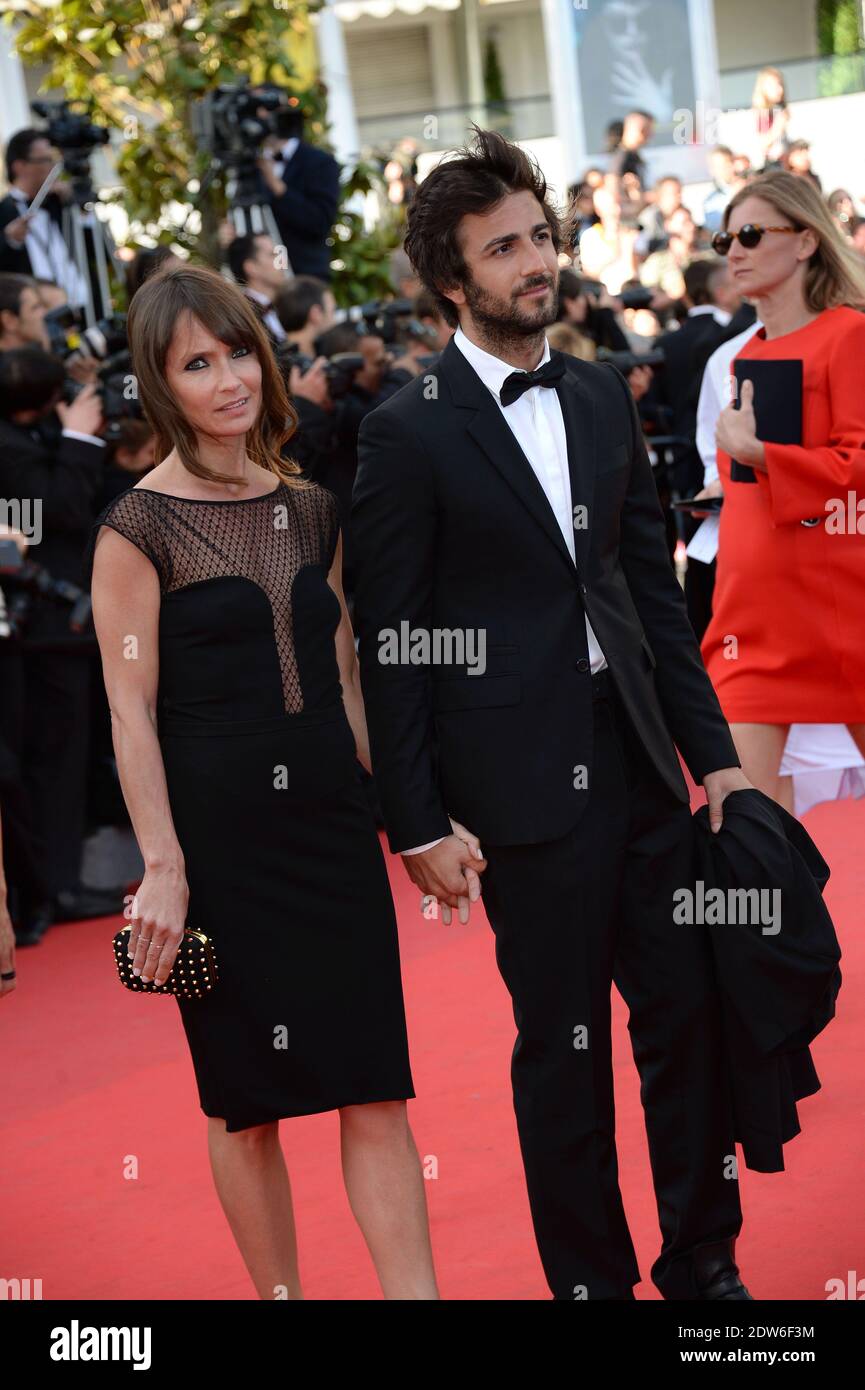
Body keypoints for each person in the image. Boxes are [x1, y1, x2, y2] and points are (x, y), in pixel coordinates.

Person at [351, 126, 753, 1302]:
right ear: (450, 282)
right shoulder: (406, 427)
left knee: (687, 1018)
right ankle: (590, 1283)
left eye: (540, 236)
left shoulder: (592, 389)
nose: (537, 261)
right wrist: (416, 822)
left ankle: (703, 1262)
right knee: (564, 1050)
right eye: (505, 248)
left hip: (634, 755)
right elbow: (394, 637)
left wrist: (714, 762)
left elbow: (650, 599)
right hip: (519, 790)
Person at [87, 264, 449, 1300]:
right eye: (196, 363)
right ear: (162, 387)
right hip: (220, 853)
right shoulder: (135, 529)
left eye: (237, 349)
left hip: (330, 834)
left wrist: (418, 820)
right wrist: (163, 866)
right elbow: (129, 710)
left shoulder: (310, 508)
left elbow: (342, 675)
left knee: (375, 1086)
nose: (228, 377)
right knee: (244, 1102)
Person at [702, 170, 865, 801]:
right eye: (725, 241)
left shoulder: (848, 335)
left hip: (843, 610)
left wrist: (760, 453)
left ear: (804, 242)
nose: (734, 252)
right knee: (747, 827)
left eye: (749, 234)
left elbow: (858, 466)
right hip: (754, 621)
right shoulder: (745, 356)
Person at [0, 128, 89, 306]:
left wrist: (77, 204)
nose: (53, 167)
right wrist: (10, 240)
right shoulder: (4, 212)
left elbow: (93, 252)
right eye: (45, 160)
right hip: (38, 317)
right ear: (20, 166)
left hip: (81, 308)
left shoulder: (60, 204)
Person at [750, 67, 790, 171]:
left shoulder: (778, 110)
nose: (780, 90)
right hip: (772, 167)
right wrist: (778, 126)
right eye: (775, 85)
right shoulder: (762, 113)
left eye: (780, 85)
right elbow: (763, 144)